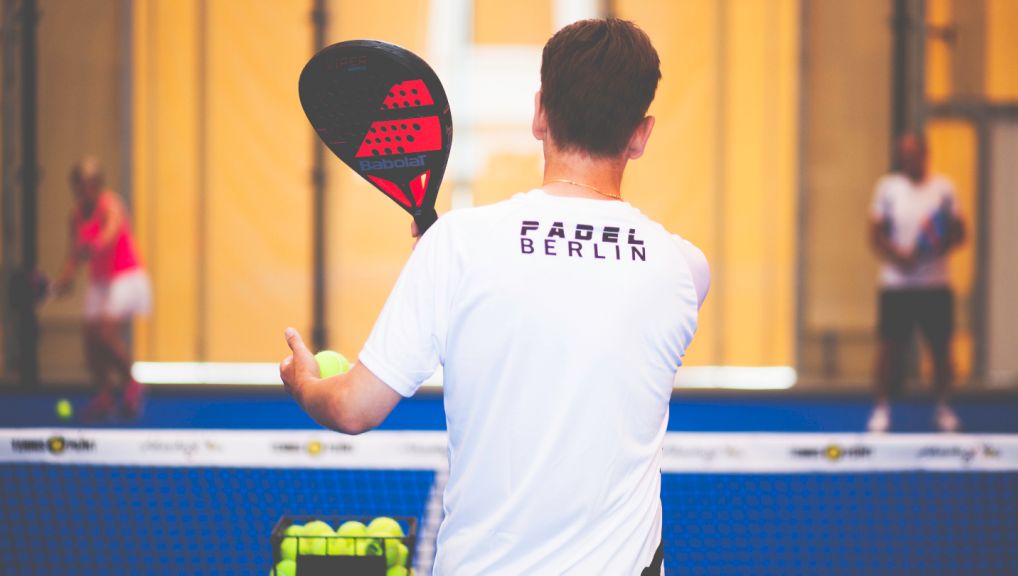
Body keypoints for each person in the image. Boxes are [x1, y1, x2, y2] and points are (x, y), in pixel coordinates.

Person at [280, 19, 709, 574]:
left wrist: (307, 382)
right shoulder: (685, 268)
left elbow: (351, 409)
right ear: (641, 134)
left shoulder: (457, 246)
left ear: (539, 112)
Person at [867, 133, 966, 433]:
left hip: (935, 286)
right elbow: (875, 234)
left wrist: (934, 248)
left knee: (940, 350)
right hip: (896, 287)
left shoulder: (944, 189)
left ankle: (943, 408)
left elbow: (959, 232)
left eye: (913, 154)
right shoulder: (887, 189)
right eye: (903, 155)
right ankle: (881, 410)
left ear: (925, 155)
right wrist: (899, 257)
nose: (907, 159)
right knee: (888, 349)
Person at [54, 157, 151, 422]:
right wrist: (65, 279)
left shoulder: (111, 204)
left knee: (106, 335)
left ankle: (132, 383)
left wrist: (94, 246)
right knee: (89, 340)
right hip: (100, 281)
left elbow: (110, 231)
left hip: (126, 277)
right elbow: (73, 254)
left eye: (91, 184)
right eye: (81, 184)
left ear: (98, 185)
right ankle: (105, 394)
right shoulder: (75, 215)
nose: (86, 189)